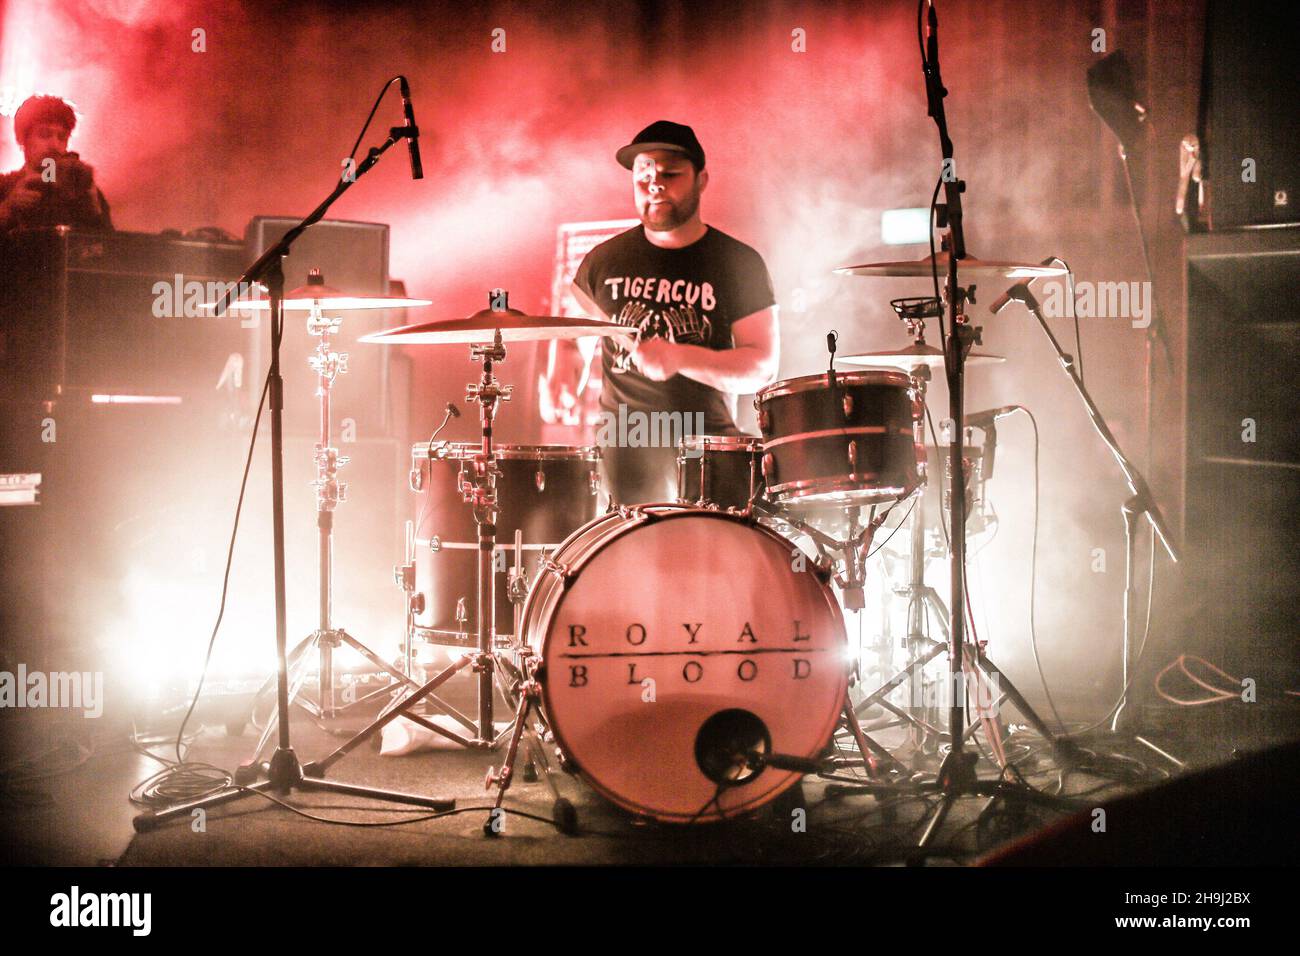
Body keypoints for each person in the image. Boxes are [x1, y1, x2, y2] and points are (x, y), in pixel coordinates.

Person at [568, 120, 779, 504]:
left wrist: (680, 356)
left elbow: (761, 367)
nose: (655, 184)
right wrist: (562, 376)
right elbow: (574, 341)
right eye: (643, 176)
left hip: (705, 453)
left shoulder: (739, 262)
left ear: (702, 179)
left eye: (670, 173)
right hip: (622, 449)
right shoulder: (601, 262)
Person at [0, 94, 112, 234]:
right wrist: (7, 208)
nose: (55, 145)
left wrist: (95, 210)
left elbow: (109, 248)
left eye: (62, 137)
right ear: (22, 138)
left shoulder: (81, 190)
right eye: (44, 134)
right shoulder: (3, 187)